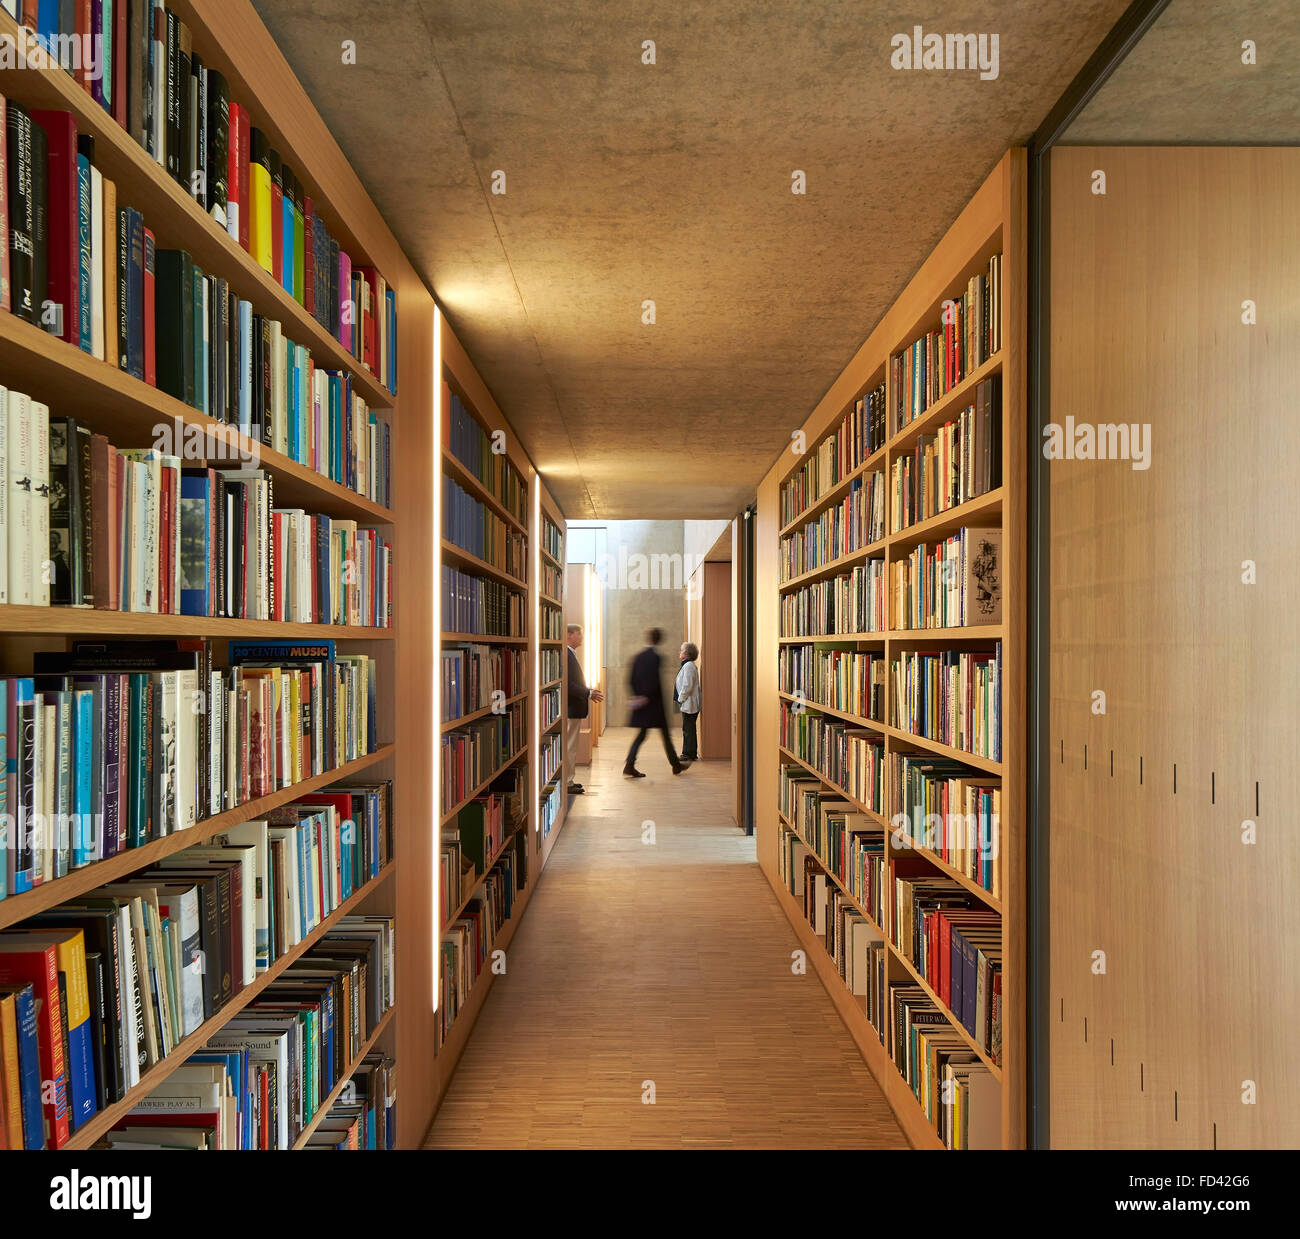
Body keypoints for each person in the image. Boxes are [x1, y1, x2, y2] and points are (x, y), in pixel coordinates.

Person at [624, 627, 687, 777]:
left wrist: (638, 696)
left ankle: (630, 764)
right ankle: (675, 765)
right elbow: (654, 681)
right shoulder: (657, 657)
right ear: (659, 639)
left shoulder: (637, 657)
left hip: (642, 704)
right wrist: (648, 696)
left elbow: (630, 680)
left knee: (642, 734)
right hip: (654, 705)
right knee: (664, 735)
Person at [565, 623, 604, 795]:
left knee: (570, 746)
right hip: (570, 708)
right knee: (569, 746)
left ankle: (569, 780)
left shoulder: (570, 654)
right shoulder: (566, 654)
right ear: (569, 635)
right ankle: (567, 782)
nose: (581, 638)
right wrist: (588, 692)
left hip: (573, 708)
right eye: (578, 634)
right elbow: (568, 684)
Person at [675, 642, 701, 762]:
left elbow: (687, 685)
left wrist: (680, 699)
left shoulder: (689, 666)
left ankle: (688, 754)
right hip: (687, 702)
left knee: (688, 729)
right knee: (688, 728)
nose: (680, 652)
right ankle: (690, 753)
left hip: (688, 702)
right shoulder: (687, 665)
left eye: (681, 650)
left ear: (686, 654)